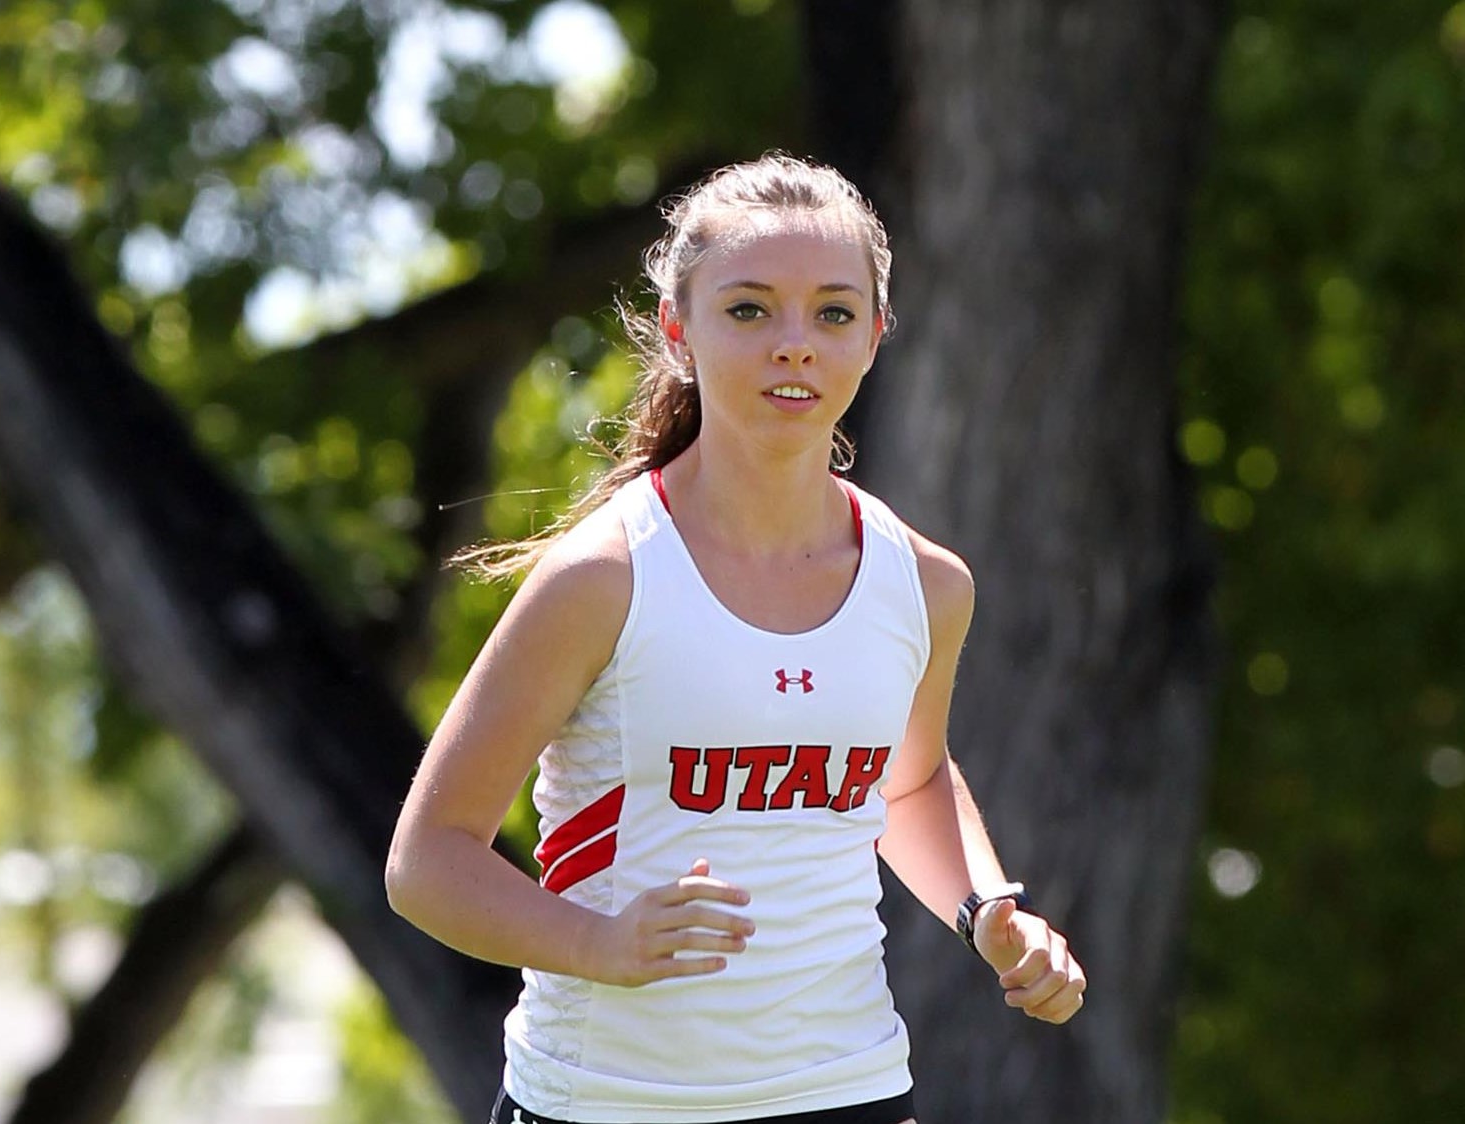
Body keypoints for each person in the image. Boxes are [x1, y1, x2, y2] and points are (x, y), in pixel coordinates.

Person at [385, 153, 1085, 1124]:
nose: (794, 344)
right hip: (606, 1102)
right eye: (749, 309)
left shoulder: (924, 584)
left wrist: (988, 910)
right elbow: (427, 860)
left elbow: (908, 780)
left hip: (852, 1091)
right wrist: (597, 942)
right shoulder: (604, 577)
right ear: (678, 329)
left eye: (833, 312)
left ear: (875, 335)